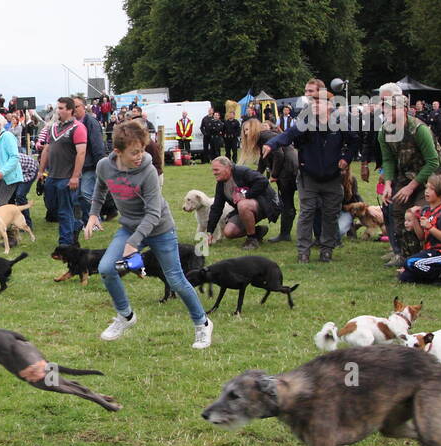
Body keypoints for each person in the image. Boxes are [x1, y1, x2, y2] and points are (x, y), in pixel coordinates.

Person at [85, 119, 212, 350]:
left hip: (160, 229)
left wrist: (134, 243)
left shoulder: (149, 171)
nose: (140, 156)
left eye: (142, 150)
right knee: (105, 268)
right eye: (134, 152)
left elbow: (154, 213)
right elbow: (100, 188)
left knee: (175, 279)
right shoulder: (104, 166)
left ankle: (202, 324)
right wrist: (94, 214)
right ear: (117, 152)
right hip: (130, 227)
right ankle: (125, 315)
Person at [262, 83, 356, 262]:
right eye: (313, 103)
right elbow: (288, 134)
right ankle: (303, 252)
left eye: (319, 102)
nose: (315, 106)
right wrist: (271, 144)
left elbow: (354, 141)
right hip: (308, 177)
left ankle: (327, 249)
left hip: (332, 177)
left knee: (330, 214)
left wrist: (347, 158)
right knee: (307, 213)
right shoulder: (306, 123)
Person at [376, 85, 441, 268]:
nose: (387, 111)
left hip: (430, 175)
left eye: (392, 108)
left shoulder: (419, 130)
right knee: (396, 210)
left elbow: (433, 162)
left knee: (420, 213)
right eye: (386, 108)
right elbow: (388, 160)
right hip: (406, 173)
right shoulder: (384, 132)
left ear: (404, 110)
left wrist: (411, 187)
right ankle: (403, 254)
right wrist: (388, 184)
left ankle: (429, 253)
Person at [38, 98, 86, 247]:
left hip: (67, 176)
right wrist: (41, 171)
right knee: (52, 206)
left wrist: (75, 176)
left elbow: (81, 153)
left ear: (70, 110)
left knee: (64, 211)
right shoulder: (52, 128)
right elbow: (47, 149)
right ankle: (76, 224)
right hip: (52, 175)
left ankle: (65, 243)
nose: (58, 111)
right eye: (57, 108)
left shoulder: (78, 128)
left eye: (61, 108)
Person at [205, 156, 277, 248]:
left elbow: (263, 181)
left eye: (216, 170)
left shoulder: (242, 172)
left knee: (242, 204)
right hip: (244, 209)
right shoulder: (221, 184)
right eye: (213, 170)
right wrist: (210, 232)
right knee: (229, 232)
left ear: (227, 167)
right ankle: (258, 231)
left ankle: (252, 240)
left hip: (266, 204)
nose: (214, 173)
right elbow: (216, 208)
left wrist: (246, 195)